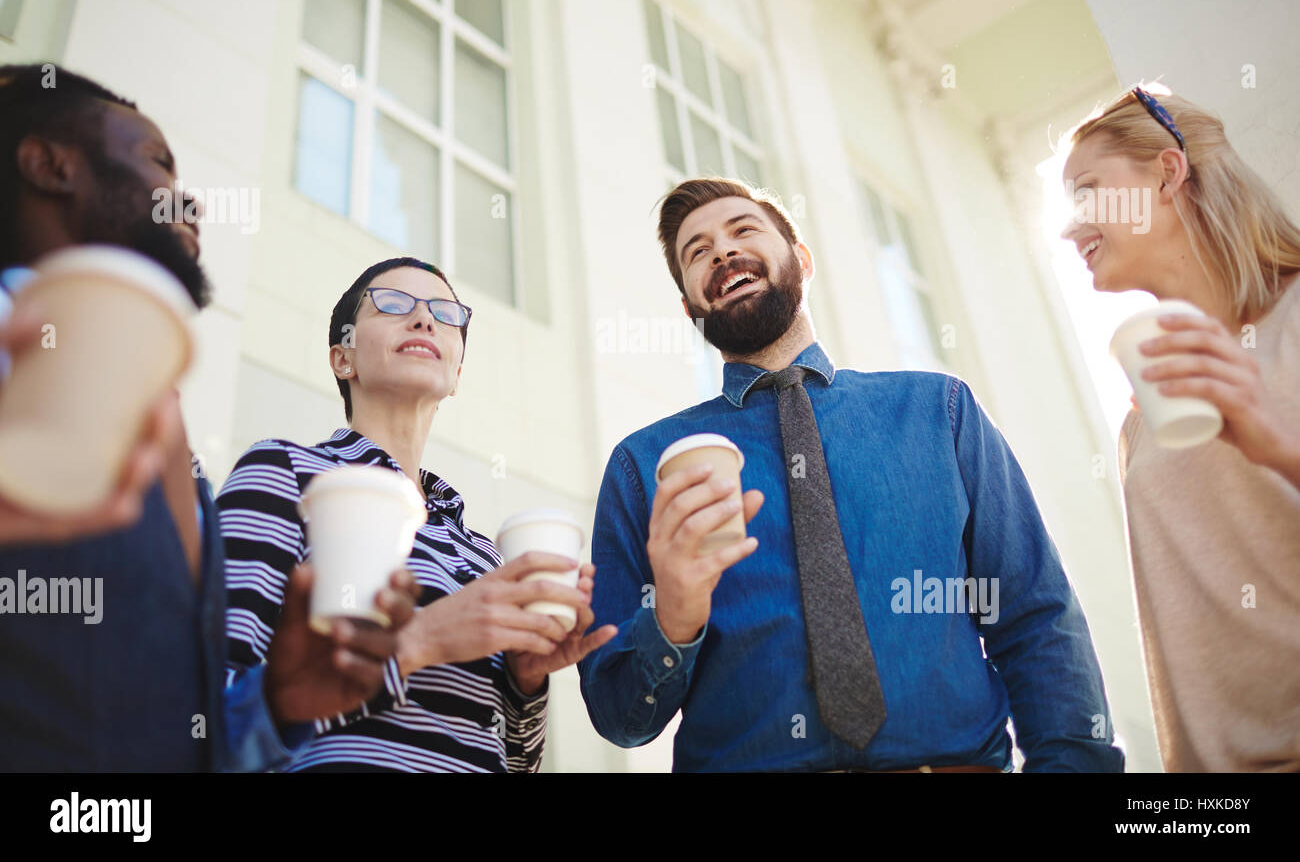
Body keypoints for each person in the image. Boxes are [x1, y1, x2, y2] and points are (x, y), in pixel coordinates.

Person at [578, 177, 1125, 772]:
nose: (722, 253)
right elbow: (619, 717)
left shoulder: (939, 412)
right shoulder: (645, 467)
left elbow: (1033, 612)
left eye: (743, 230)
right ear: (690, 308)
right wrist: (673, 618)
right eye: (698, 251)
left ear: (801, 260)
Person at [0, 64, 419, 771]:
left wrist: (277, 703)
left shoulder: (168, 438)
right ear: (51, 164)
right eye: (157, 162)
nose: (186, 198)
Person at [221, 257, 617, 771]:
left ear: (456, 376)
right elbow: (207, 709)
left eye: (445, 314)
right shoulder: (286, 472)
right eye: (391, 304)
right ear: (344, 358)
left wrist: (526, 680)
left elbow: (515, 762)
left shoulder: (485, 553)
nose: (424, 320)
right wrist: (421, 640)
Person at [1060, 85, 1300, 771]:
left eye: (1088, 193)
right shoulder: (1148, 413)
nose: (1070, 229)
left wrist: (1273, 439)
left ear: (1167, 173)